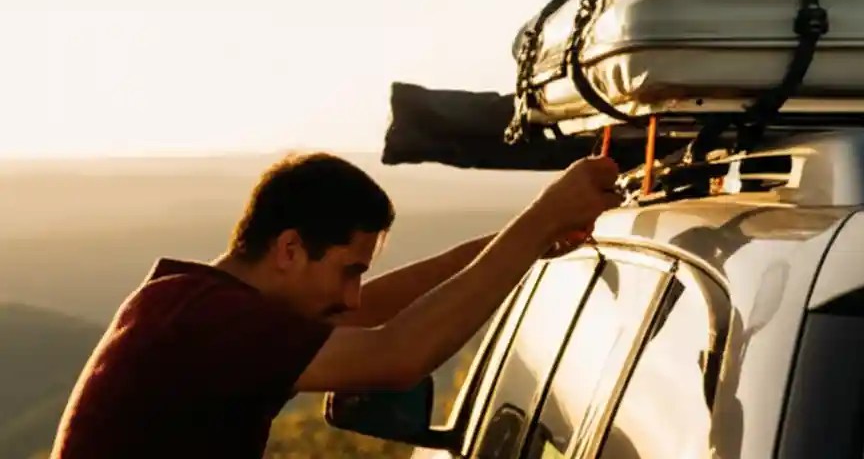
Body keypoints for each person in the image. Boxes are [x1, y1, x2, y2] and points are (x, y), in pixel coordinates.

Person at [50, 151, 621, 458]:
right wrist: (541, 217)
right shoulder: (210, 323)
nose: (350, 296)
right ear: (290, 249)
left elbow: (364, 310)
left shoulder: (193, 303)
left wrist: (518, 243)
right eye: (348, 270)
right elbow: (396, 354)